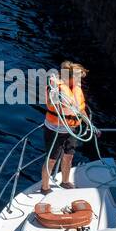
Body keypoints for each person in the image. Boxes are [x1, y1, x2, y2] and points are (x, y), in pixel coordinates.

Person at [40, 61, 90, 195]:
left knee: (69, 156)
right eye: (79, 77)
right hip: (55, 129)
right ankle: (45, 188)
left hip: (71, 130)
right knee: (51, 159)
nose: (80, 80)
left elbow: (80, 109)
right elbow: (53, 104)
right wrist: (55, 90)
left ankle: (65, 181)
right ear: (71, 76)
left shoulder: (75, 88)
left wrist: (90, 125)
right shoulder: (56, 87)